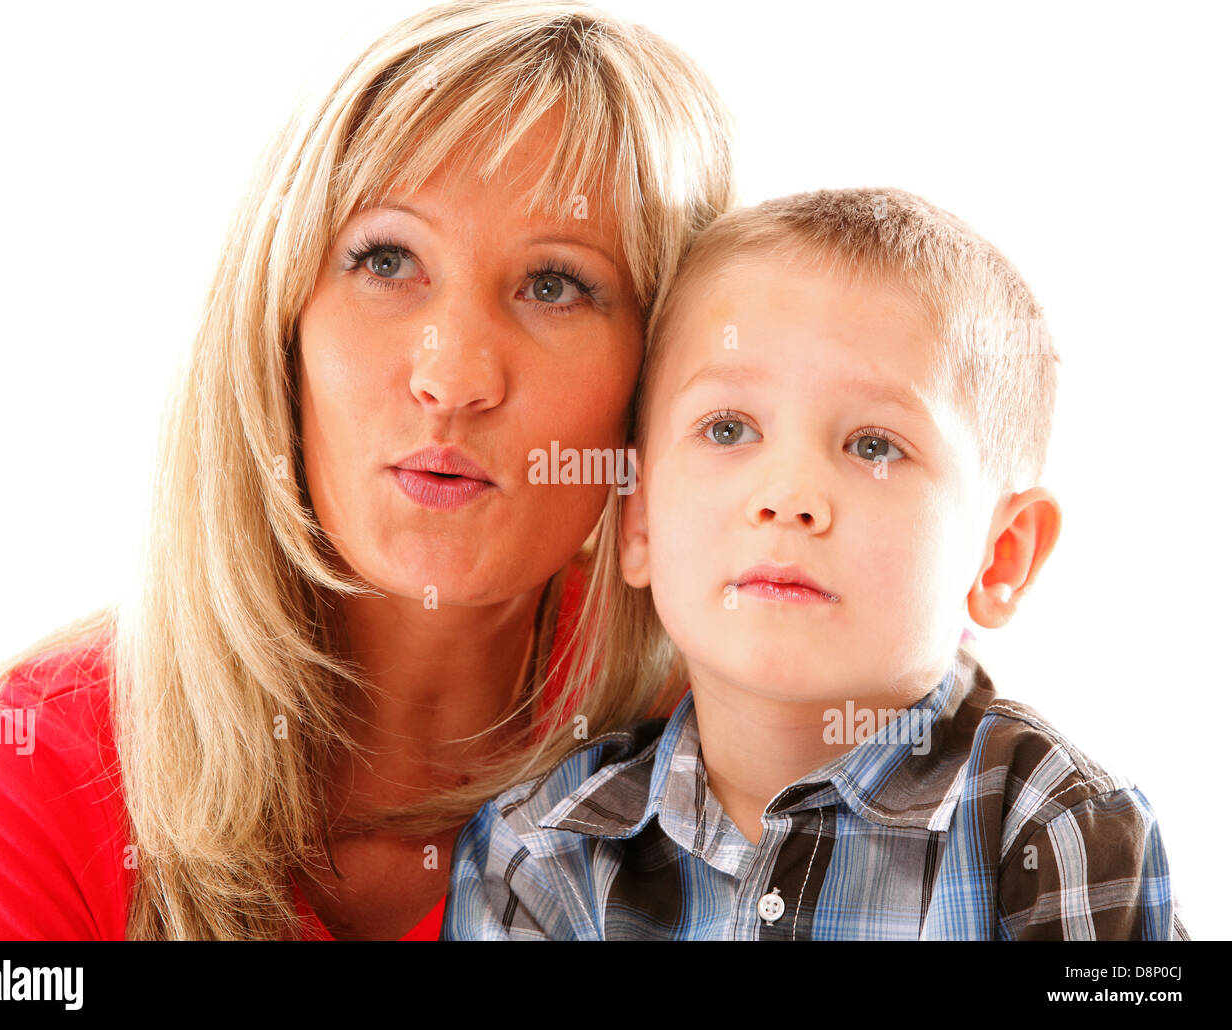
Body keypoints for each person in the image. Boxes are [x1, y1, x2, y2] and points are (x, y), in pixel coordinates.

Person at [0, 0, 736, 940]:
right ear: (281, 322)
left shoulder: (750, 760)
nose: (453, 377)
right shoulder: (18, 772)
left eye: (555, 284)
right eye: (387, 260)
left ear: (656, 376)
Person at [443, 187, 1188, 940]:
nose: (789, 497)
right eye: (728, 428)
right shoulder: (541, 852)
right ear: (637, 518)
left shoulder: (1059, 830)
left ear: (1001, 555)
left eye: (873, 446)